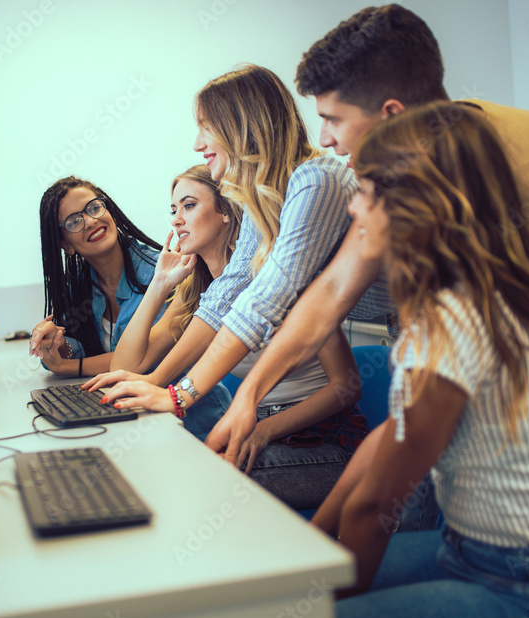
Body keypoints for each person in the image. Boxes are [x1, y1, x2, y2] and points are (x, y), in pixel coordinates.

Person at [207, 4, 529, 457]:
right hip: (526, 321)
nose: (324, 138)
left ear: (391, 114)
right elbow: (330, 292)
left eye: (333, 118)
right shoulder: (390, 177)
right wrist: (248, 396)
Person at [323, 100, 529, 618]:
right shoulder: (477, 291)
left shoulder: (454, 321)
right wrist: (311, 547)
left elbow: (373, 508)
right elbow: (387, 441)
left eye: (363, 192)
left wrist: (305, 614)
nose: (351, 206)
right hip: (479, 557)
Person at [91, 66, 390, 489]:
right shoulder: (263, 202)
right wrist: (156, 384)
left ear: (241, 127)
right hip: (395, 335)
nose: (198, 144)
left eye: (206, 128)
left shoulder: (315, 179)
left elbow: (267, 295)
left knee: (195, 482)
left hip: (411, 346)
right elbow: (227, 293)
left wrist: (179, 395)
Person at [86, 165, 368, 508]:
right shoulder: (198, 292)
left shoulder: (275, 278)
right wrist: (159, 285)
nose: (176, 220)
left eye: (189, 206)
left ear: (225, 211)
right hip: (258, 431)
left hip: (322, 440)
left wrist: (265, 431)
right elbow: (128, 364)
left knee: (201, 482)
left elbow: (347, 386)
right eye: (173, 210)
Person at [28, 176, 230, 440]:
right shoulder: (78, 287)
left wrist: (65, 367)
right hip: (144, 422)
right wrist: (57, 347)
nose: (90, 221)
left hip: (195, 427)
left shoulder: (169, 271)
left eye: (94, 208)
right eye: (74, 222)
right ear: (65, 244)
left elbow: (137, 363)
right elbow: (92, 353)